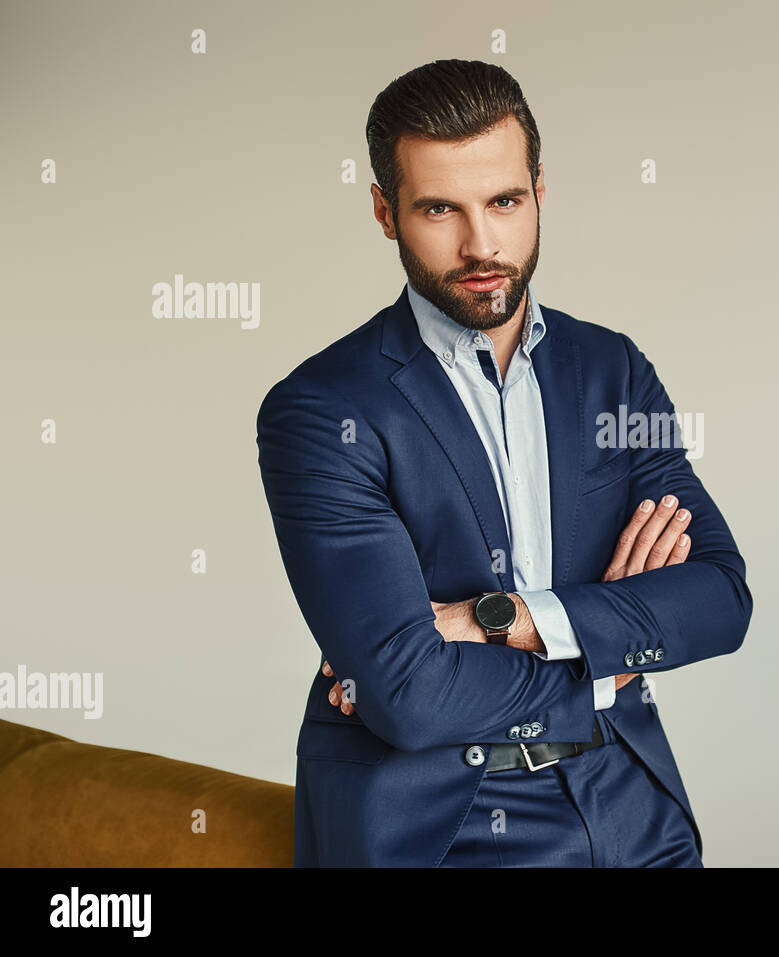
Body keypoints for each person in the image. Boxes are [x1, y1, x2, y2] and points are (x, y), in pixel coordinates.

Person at [255, 59, 752, 866]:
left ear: (540, 190)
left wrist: (508, 619)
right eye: (439, 208)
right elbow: (409, 696)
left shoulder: (611, 370)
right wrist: (606, 656)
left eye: (504, 201)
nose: (481, 243)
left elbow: (720, 598)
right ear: (386, 212)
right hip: (441, 823)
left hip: (628, 796)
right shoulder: (322, 410)